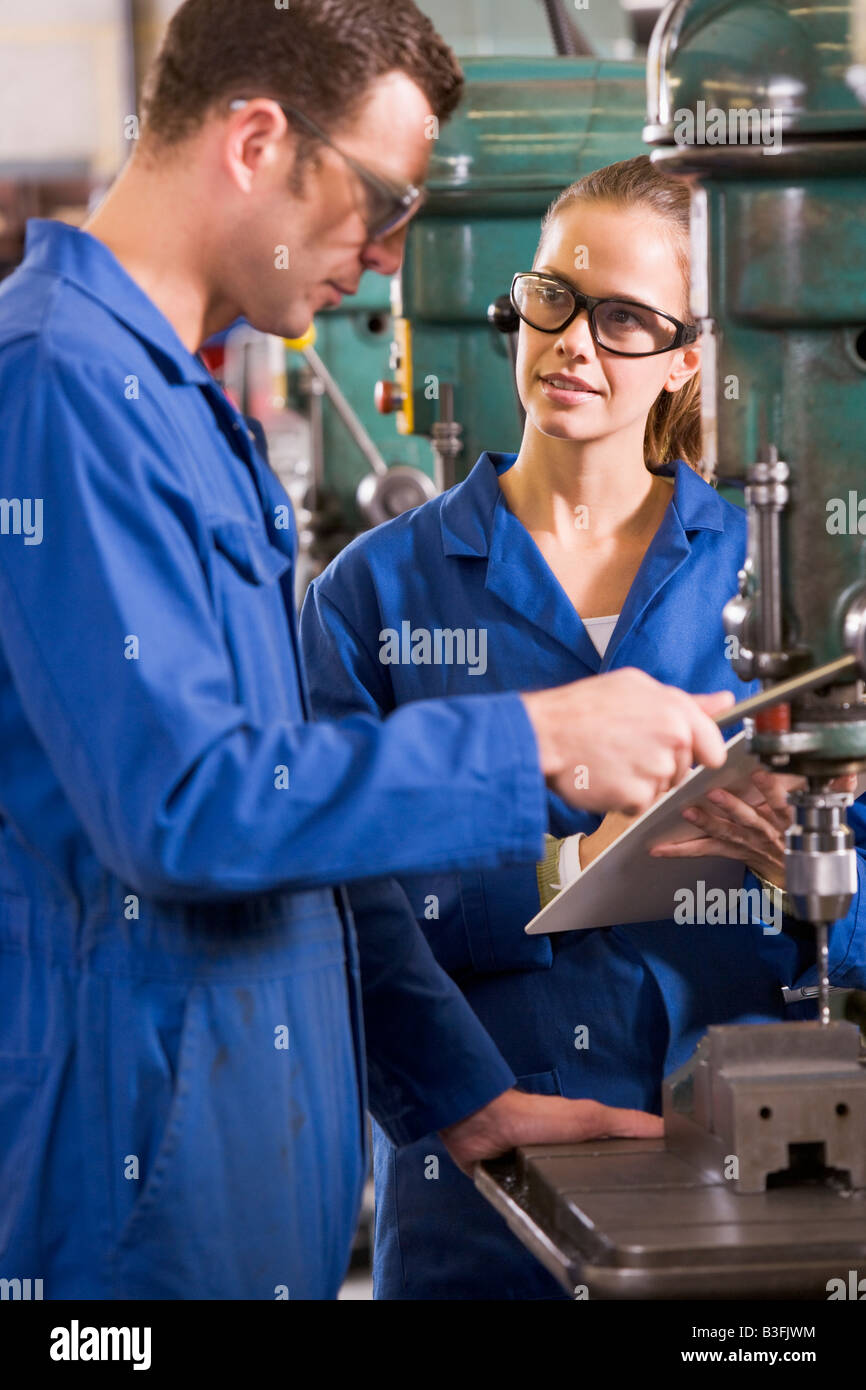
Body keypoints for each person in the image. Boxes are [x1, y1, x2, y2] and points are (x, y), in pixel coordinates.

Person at [0, 4, 732, 1301]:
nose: (392, 255)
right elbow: (185, 804)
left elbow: (300, 822)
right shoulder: (60, 385)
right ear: (256, 141)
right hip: (135, 1209)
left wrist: (462, 1098)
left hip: (236, 1182)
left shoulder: (169, 400)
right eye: (381, 199)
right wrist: (542, 737)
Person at [299, 155, 866, 1300]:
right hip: (478, 1170)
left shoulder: (781, 582)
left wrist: (832, 883)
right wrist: (565, 864)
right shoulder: (376, 596)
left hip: (746, 1162)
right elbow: (329, 898)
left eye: (623, 319)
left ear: (692, 355)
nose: (570, 343)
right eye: (551, 298)